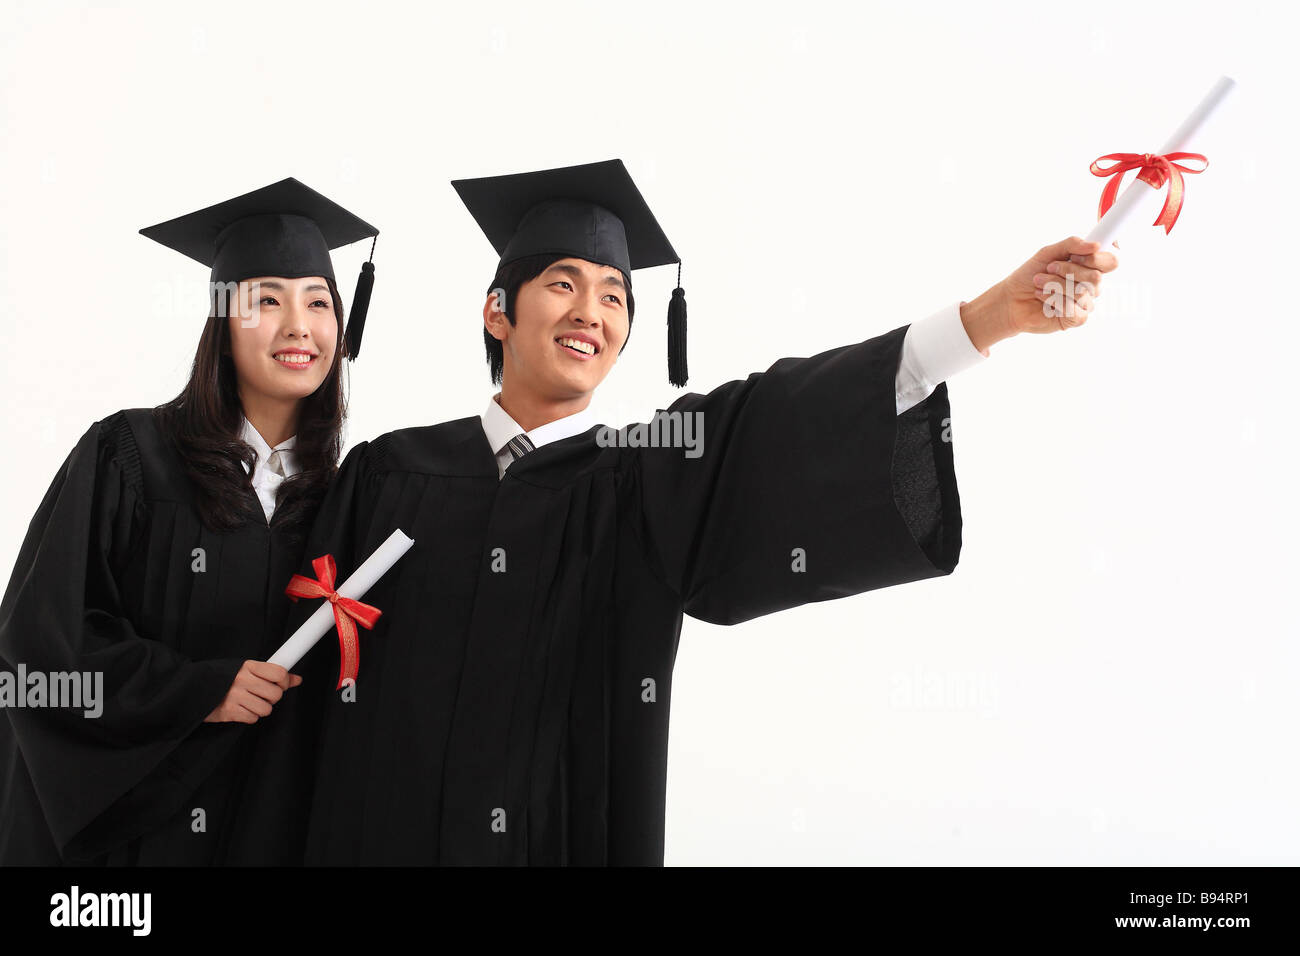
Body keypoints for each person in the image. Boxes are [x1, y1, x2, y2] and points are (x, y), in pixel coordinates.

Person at [230, 159, 1117, 865]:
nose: (592, 313)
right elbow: (294, 675)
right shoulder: (387, 474)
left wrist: (985, 320)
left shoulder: (637, 480)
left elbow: (774, 420)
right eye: (563, 285)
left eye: (614, 297)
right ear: (497, 313)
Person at [0, 178, 379, 864]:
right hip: (133, 849)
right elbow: (39, 641)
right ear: (221, 322)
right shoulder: (129, 456)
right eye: (267, 300)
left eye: (319, 302)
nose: (299, 325)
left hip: (268, 833)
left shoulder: (348, 498)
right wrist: (196, 691)